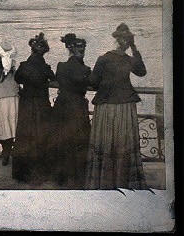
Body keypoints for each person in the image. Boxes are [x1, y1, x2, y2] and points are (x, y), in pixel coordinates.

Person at [86, 23, 147, 190]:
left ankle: (104, 181)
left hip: (106, 107)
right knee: (122, 144)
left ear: (114, 41)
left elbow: (93, 82)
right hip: (125, 107)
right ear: (127, 44)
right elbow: (142, 71)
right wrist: (134, 47)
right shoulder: (128, 60)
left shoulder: (103, 59)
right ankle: (122, 181)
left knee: (106, 143)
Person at [12, 32, 56, 185]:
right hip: (40, 106)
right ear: (43, 52)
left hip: (25, 105)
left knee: (25, 136)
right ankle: (38, 173)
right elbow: (54, 78)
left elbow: (17, 78)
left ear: (31, 51)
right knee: (40, 136)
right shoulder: (44, 67)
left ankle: (22, 173)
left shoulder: (24, 66)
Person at [53, 33, 92, 188]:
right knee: (79, 141)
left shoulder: (61, 66)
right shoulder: (85, 69)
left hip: (62, 105)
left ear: (69, 49)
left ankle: (61, 176)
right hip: (77, 108)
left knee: (62, 139)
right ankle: (78, 177)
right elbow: (90, 83)